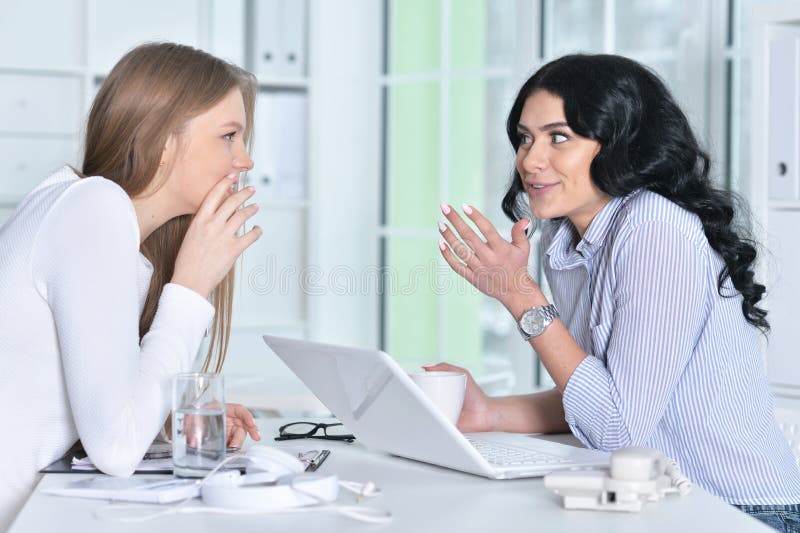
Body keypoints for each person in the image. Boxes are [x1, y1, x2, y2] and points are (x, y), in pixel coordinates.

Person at [432, 54, 800, 531]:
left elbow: (617, 429)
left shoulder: (655, 231)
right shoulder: (565, 239)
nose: (530, 160)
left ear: (620, 144)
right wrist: (489, 414)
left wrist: (520, 295)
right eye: (525, 138)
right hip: (660, 504)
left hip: (741, 513)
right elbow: (602, 395)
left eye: (558, 137)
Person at [0, 42, 264, 528]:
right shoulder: (94, 209)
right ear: (163, 139)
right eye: (229, 136)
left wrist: (167, 418)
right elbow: (117, 450)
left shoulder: (85, 209)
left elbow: (99, 409)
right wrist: (189, 289)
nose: (244, 160)